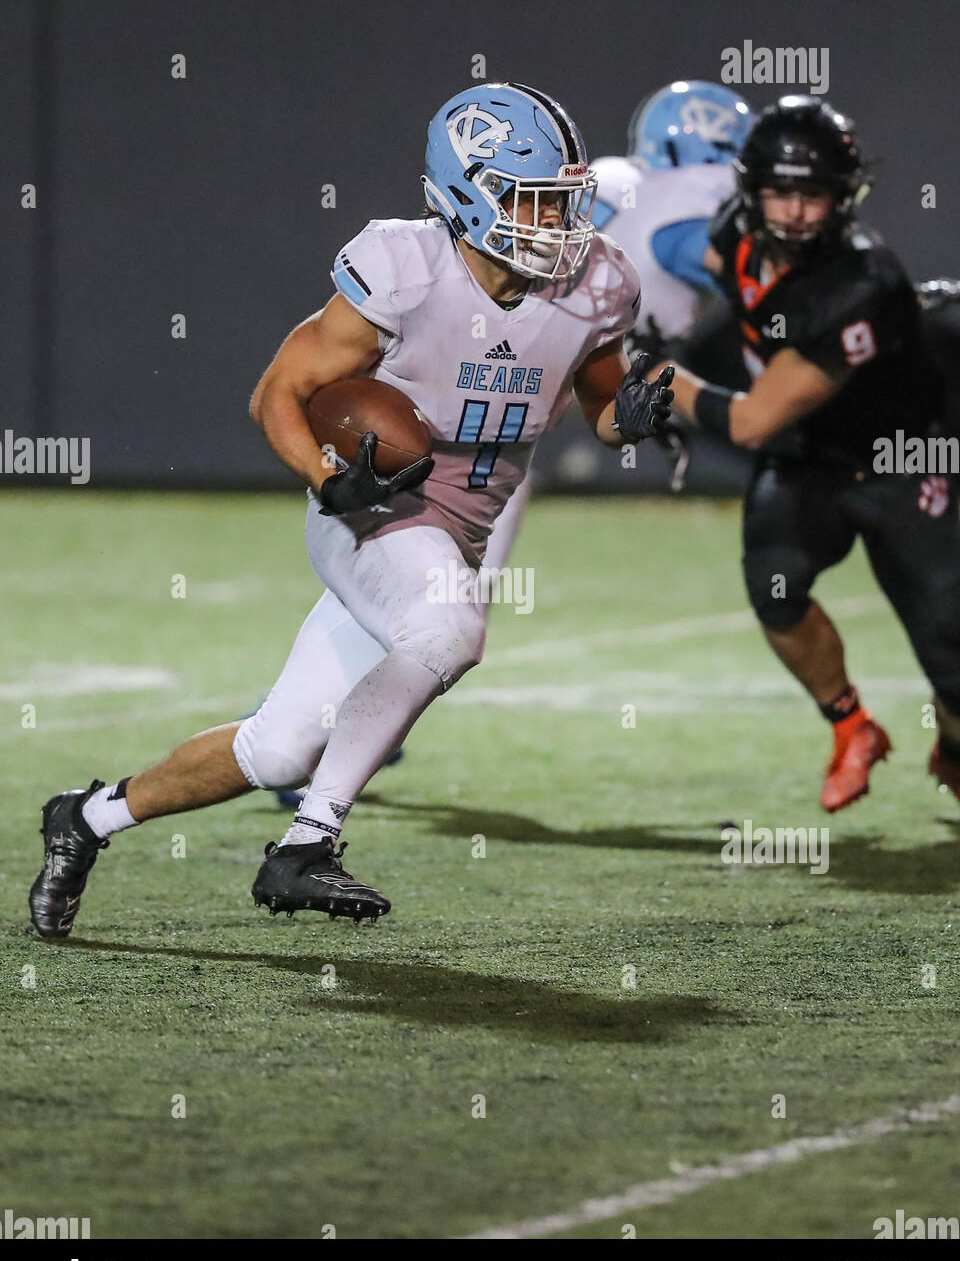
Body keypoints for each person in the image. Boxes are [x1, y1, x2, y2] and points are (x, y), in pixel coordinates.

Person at [29, 81, 674, 937]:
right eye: (531, 201)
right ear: (464, 195)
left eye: (561, 203)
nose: (555, 225)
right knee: (449, 632)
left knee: (279, 748)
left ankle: (86, 818)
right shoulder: (405, 269)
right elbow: (278, 393)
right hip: (373, 508)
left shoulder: (596, 284)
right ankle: (306, 843)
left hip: (460, 531)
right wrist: (328, 479)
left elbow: (599, 404)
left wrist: (627, 416)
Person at [657, 95, 960, 811]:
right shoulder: (734, 232)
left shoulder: (862, 281)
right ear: (752, 190)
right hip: (810, 455)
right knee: (776, 589)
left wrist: (659, 380)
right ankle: (852, 725)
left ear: (842, 198)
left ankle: (952, 745)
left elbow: (755, 422)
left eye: (812, 194)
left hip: (898, 460)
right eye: (780, 192)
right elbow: (701, 269)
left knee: (950, 653)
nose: (794, 212)